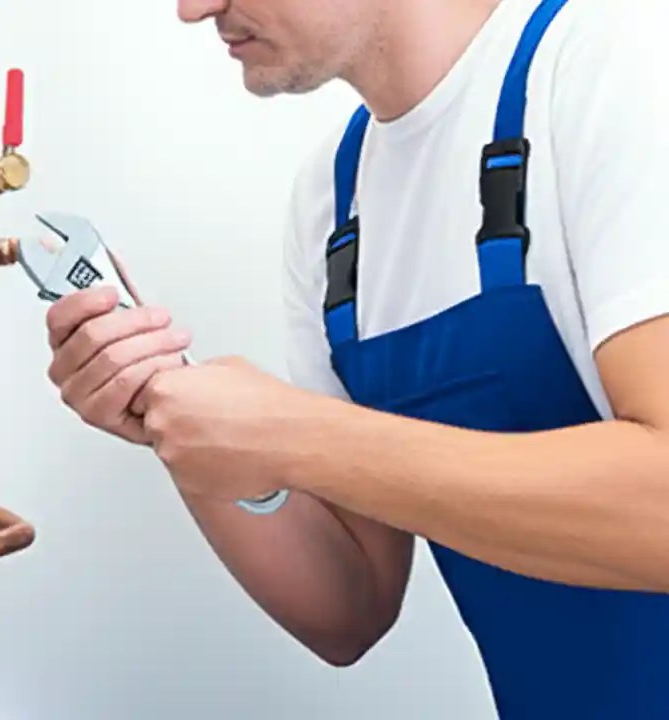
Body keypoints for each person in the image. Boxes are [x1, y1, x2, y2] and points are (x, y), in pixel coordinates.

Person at [43, 0, 669, 716]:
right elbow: (349, 607)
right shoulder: (334, 202)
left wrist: (293, 437)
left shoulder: (616, 68)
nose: (194, 10)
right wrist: (180, 419)